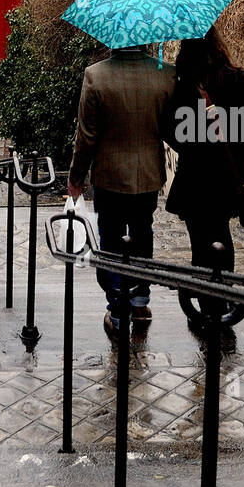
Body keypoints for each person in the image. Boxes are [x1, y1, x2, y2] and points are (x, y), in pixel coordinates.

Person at [68, 46, 175, 338]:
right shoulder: (165, 74)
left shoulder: (96, 76)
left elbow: (86, 136)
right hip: (148, 176)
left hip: (110, 176)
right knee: (143, 233)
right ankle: (140, 302)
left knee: (111, 240)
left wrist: (76, 177)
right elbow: (171, 130)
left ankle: (117, 310)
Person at [164, 26, 244, 276]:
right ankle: (222, 300)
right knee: (222, 237)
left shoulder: (183, 86)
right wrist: (242, 166)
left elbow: (168, 129)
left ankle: (203, 308)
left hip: (194, 180)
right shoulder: (243, 80)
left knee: (199, 245)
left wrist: (192, 150)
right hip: (227, 178)